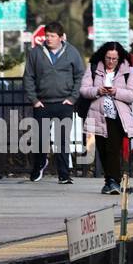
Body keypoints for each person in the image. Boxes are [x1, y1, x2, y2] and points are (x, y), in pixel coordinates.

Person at [23, 21, 84, 184]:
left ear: (60, 37)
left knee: (62, 140)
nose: (48, 39)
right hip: (42, 103)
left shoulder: (72, 52)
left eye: (52, 36)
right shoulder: (36, 53)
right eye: (47, 35)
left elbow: (79, 76)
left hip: (64, 103)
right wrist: (34, 100)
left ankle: (64, 174)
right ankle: (39, 166)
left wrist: (72, 98)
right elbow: (28, 77)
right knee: (41, 140)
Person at [80, 42, 133, 195]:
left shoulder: (128, 71)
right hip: (97, 115)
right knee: (102, 150)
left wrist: (115, 92)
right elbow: (84, 90)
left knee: (113, 149)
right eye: (108, 58)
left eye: (114, 59)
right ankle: (111, 182)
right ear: (103, 56)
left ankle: (113, 181)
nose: (111, 61)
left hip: (117, 117)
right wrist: (97, 90)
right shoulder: (93, 68)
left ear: (119, 58)